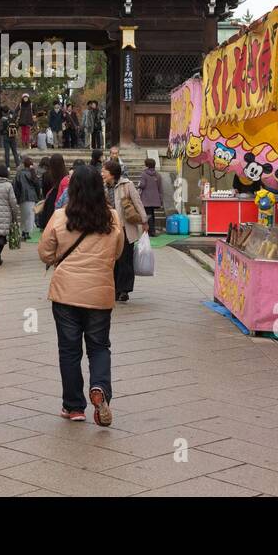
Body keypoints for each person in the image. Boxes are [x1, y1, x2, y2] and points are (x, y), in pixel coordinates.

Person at [38, 165, 123, 425]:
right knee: (99, 347)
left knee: (69, 350)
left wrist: (56, 259)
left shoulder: (60, 216)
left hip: (65, 293)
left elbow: (44, 252)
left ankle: (74, 406)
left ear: (72, 189)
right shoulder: (111, 218)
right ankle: (99, 388)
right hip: (99, 292)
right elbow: (117, 253)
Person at [102, 160, 146, 303]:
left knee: (125, 260)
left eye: (104, 171)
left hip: (126, 228)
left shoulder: (127, 185)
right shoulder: (103, 187)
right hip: (110, 229)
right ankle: (114, 288)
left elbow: (137, 202)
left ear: (112, 173)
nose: (102, 173)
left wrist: (144, 220)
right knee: (112, 260)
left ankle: (124, 290)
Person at [37, 154, 69, 230]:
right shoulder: (66, 175)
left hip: (50, 199)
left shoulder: (47, 175)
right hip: (61, 198)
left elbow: (44, 190)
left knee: (50, 222)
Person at [15, 157, 42, 241]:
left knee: (24, 215)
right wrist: (38, 195)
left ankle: (24, 231)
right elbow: (37, 185)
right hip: (31, 196)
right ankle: (27, 232)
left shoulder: (19, 174)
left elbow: (16, 186)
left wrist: (17, 197)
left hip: (22, 196)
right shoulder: (33, 173)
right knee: (30, 215)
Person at [138, 158, 164, 235]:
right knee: (152, 214)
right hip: (155, 198)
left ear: (146, 165)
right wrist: (160, 198)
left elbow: (142, 185)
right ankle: (153, 230)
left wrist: (138, 185)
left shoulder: (144, 174)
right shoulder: (158, 175)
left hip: (146, 198)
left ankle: (150, 231)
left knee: (148, 215)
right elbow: (160, 187)